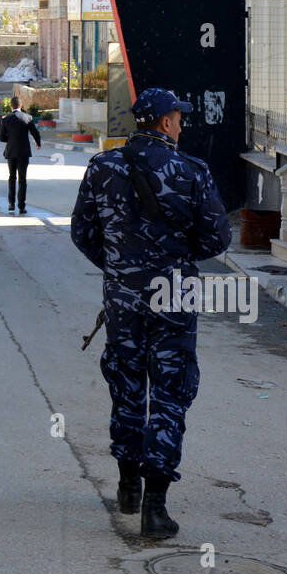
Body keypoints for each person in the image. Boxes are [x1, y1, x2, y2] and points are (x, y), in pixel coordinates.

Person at [70, 88, 231, 537]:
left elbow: (82, 233)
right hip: (174, 298)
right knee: (170, 392)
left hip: (123, 299)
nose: (182, 125)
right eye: (179, 117)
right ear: (163, 122)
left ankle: (127, 485)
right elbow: (217, 239)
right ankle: (155, 507)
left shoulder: (102, 167)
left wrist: (121, 267)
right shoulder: (191, 170)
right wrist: (175, 262)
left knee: (126, 385)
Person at [0, 95, 42, 214]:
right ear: (21, 106)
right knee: (22, 179)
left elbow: (1, 137)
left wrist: (11, 140)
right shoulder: (27, 117)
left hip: (11, 152)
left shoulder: (6, 119)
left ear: (11, 106)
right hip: (24, 152)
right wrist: (38, 143)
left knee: (12, 177)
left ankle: (11, 204)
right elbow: (35, 132)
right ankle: (22, 206)